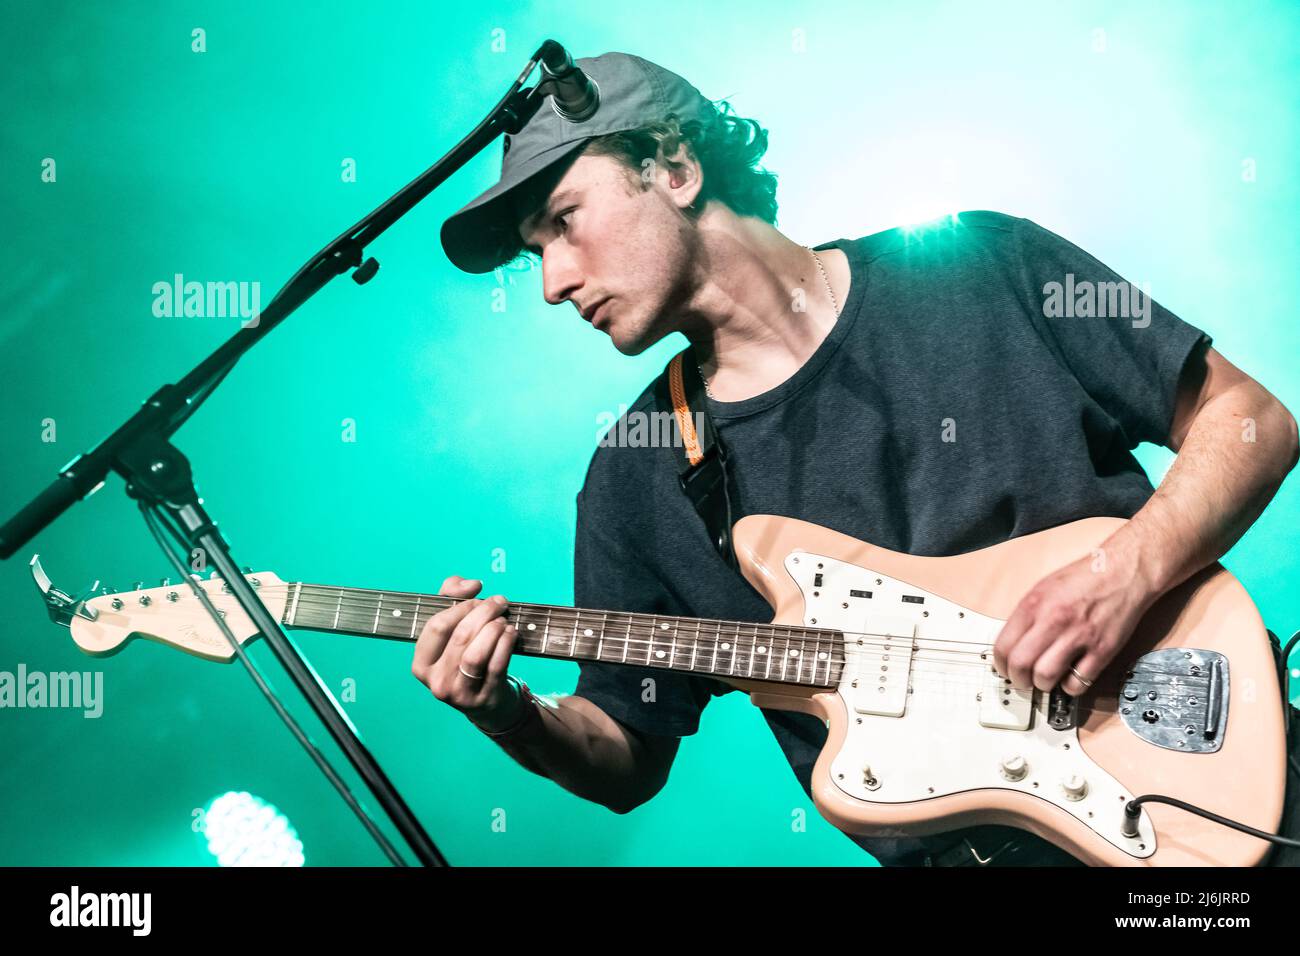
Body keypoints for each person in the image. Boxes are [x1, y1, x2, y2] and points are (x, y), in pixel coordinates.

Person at [414, 51, 1300, 866]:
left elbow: (1252, 418)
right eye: (534, 254)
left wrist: (1121, 575)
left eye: (564, 223)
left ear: (675, 169)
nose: (551, 283)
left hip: (1227, 764)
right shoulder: (635, 475)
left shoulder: (985, 260)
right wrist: (508, 713)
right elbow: (624, 751)